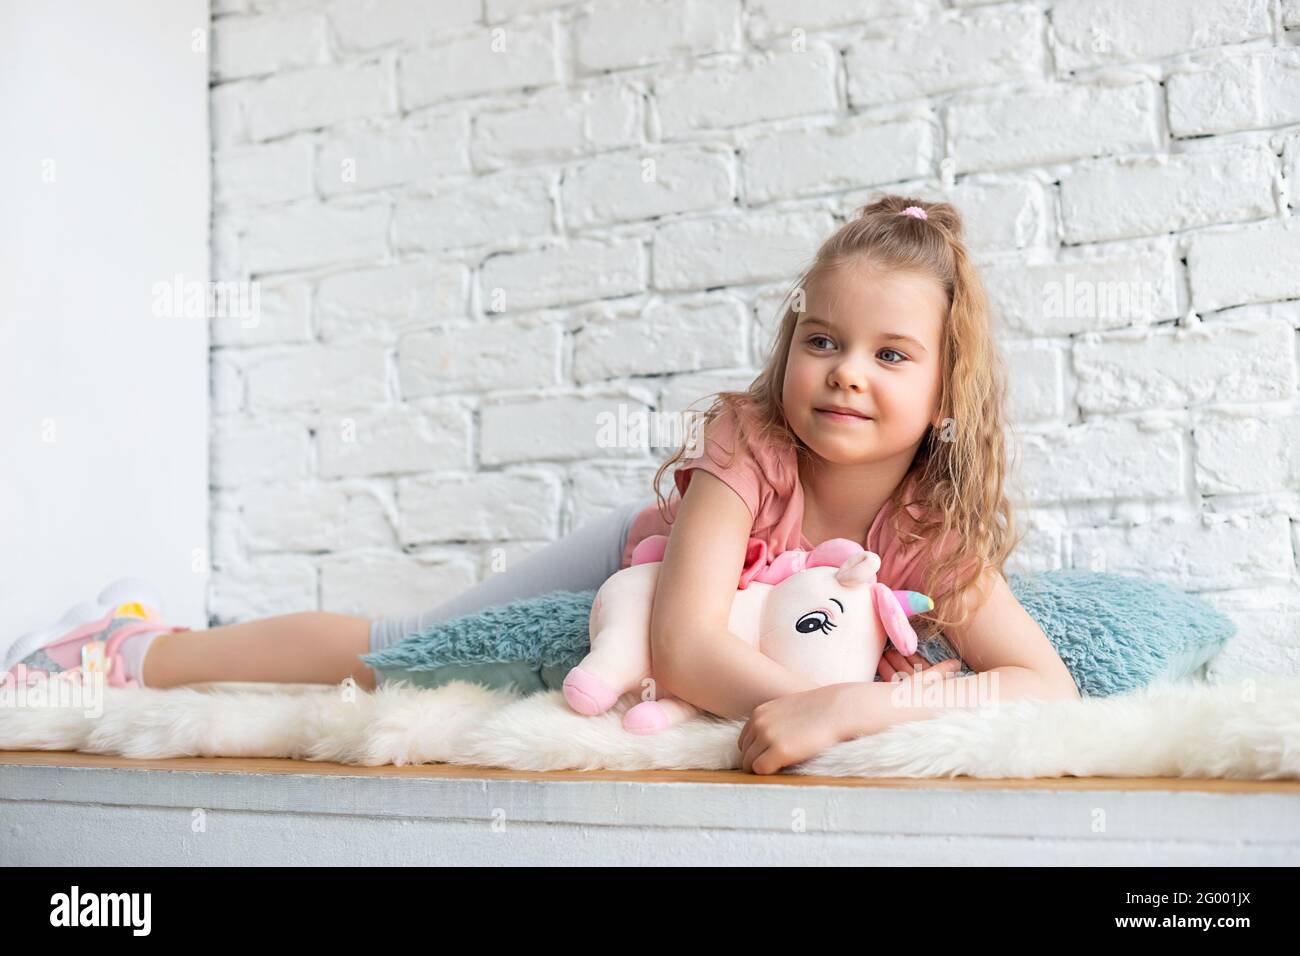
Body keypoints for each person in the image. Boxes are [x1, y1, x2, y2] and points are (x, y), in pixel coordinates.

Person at [4, 194, 1080, 772]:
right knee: (405, 652)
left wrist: (858, 713)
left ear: (944, 395)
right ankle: (135, 646)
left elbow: (1047, 687)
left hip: (728, 639)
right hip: (636, 569)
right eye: (822, 338)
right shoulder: (750, 442)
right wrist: (834, 705)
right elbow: (683, 645)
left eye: (890, 355)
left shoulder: (929, 527)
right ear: (790, 346)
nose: (846, 369)